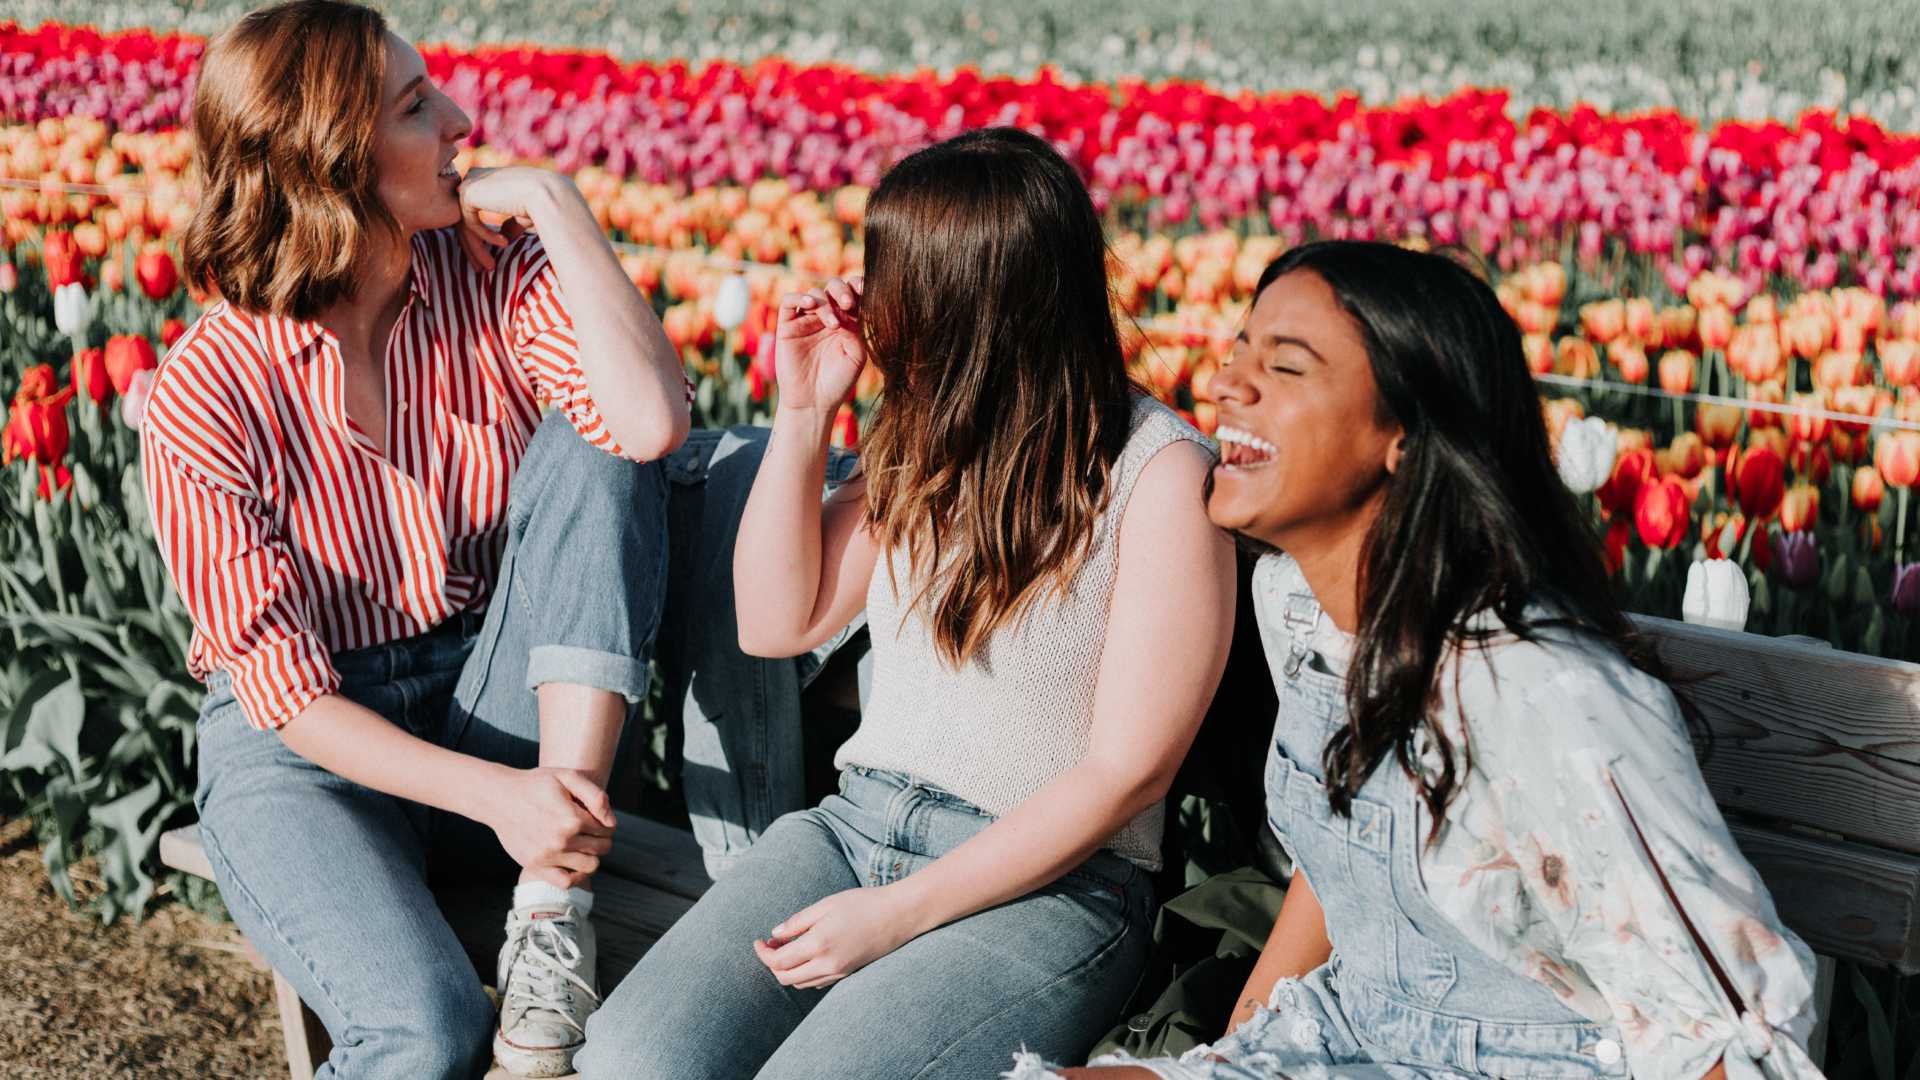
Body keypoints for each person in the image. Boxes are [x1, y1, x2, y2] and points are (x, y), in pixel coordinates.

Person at [1012, 241, 1821, 1079]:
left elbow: (1726, 1035)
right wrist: (1227, 1055)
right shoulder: (1298, 612)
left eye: (1285, 368)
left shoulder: (1541, 693)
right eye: (1236, 352)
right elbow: (1344, 877)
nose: (1226, 385)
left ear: (1403, 435)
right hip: (1341, 1041)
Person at [574, 127, 1238, 1079]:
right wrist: (804, 413)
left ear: (969, 299)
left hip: (1053, 887)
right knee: (633, 1062)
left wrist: (892, 919)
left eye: (891, 274)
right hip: (851, 834)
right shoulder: (929, 442)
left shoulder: (1160, 472)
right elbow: (776, 623)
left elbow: (1125, 776)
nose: (871, 302)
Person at [140, 2, 693, 1075]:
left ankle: (549, 908)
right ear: (331, 161)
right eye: (416, 106)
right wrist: (500, 798)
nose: (463, 119)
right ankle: (537, 858)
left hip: (489, 700)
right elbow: (289, 698)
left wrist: (557, 202)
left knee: (596, 444)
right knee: (424, 1034)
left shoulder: (493, 277)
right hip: (314, 757)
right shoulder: (205, 393)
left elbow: (649, 424)